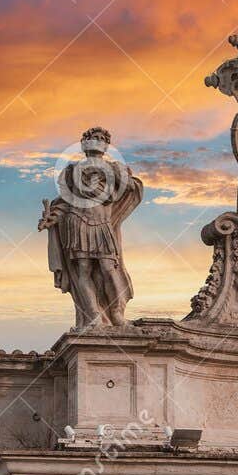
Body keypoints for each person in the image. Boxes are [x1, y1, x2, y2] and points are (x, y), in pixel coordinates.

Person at [40, 127, 144, 329]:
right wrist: (53, 217)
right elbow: (65, 202)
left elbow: (131, 187)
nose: (96, 141)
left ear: (106, 145)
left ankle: (116, 313)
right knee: (83, 269)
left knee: (108, 268)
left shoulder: (115, 168)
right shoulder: (71, 171)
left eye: (101, 139)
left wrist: (116, 172)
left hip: (103, 225)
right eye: (92, 138)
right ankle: (94, 316)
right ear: (84, 143)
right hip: (77, 221)